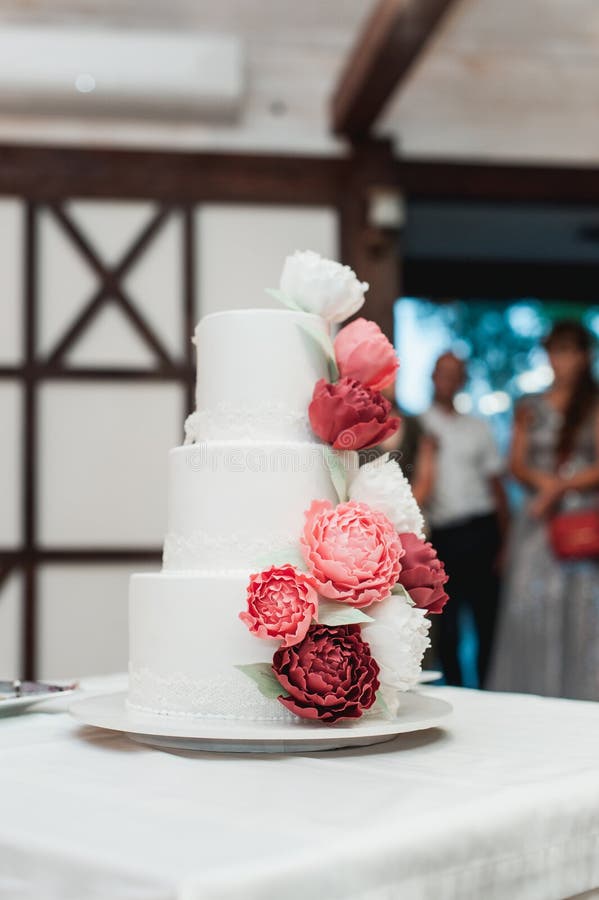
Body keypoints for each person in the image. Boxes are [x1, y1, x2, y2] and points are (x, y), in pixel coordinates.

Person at [489, 321, 599, 701]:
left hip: (581, 522)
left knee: (581, 608)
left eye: (569, 351)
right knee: (528, 606)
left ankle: (582, 699)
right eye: (555, 351)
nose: (561, 360)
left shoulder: (594, 405)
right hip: (536, 524)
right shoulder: (528, 406)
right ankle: (528, 698)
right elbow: (515, 464)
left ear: (584, 357)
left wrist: (561, 487)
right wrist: (545, 484)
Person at [421, 352, 509, 688]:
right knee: (449, 627)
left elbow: (497, 486)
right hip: (443, 537)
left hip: (482, 531)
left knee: (487, 621)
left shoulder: (479, 428)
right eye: (443, 372)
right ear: (432, 377)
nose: (448, 379)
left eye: (455, 373)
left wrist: (505, 542)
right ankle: (459, 692)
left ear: (462, 380)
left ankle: (488, 690)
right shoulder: (418, 425)